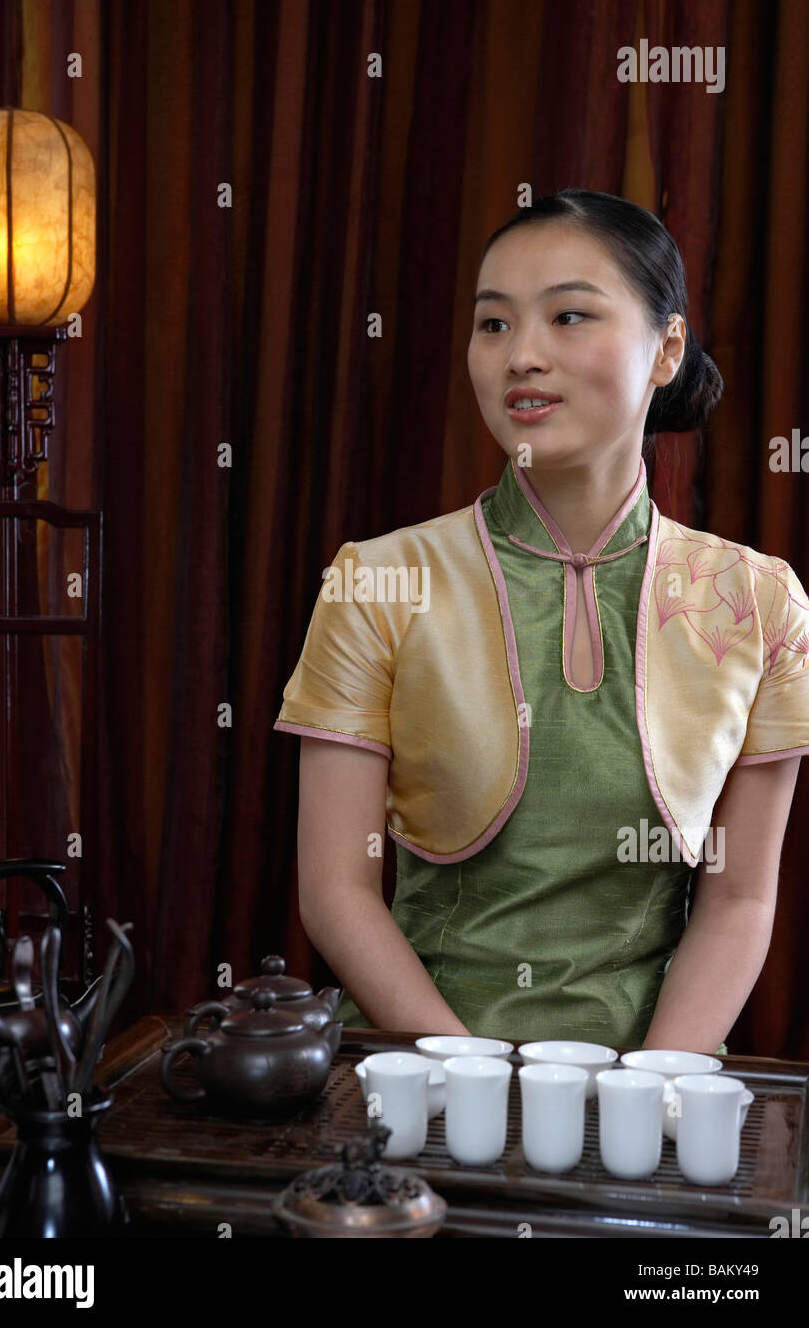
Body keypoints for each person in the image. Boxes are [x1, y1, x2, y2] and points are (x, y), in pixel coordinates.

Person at [273, 188, 809, 1055]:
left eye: (568, 316)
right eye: (494, 324)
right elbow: (336, 893)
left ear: (667, 349)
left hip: (654, 1087)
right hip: (419, 1081)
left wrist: (651, 1085)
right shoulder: (377, 582)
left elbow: (740, 898)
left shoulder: (757, 600)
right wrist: (466, 1079)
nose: (521, 355)